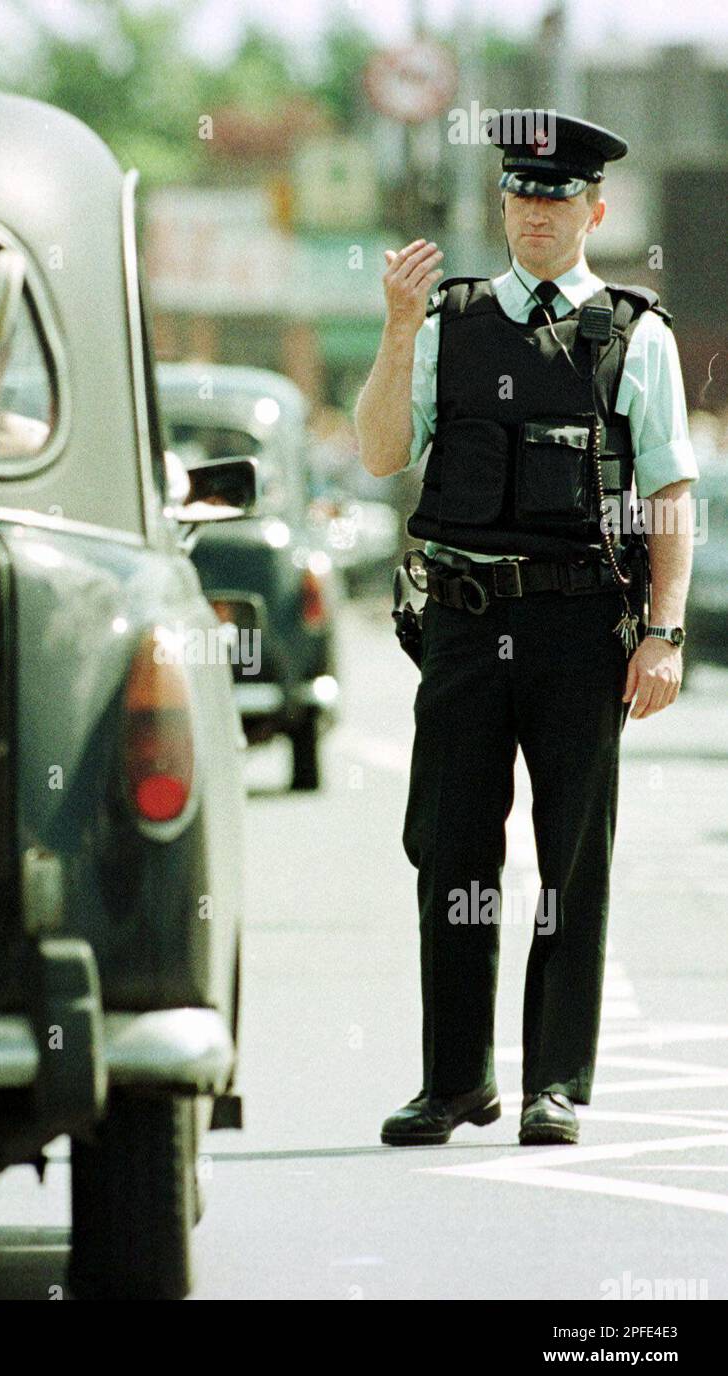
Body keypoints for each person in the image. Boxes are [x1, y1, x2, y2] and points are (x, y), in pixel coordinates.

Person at [354, 110, 696, 1146]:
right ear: (502, 203)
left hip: (579, 629)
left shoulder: (633, 333)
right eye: (520, 194)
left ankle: (555, 1081)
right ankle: (455, 1079)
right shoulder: (446, 320)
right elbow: (378, 454)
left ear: (593, 209)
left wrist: (664, 632)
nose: (535, 213)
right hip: (461, 624)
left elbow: (671, 489)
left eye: (556, 197)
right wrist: (396, 326)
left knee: (569, 861)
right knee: (451, 854)